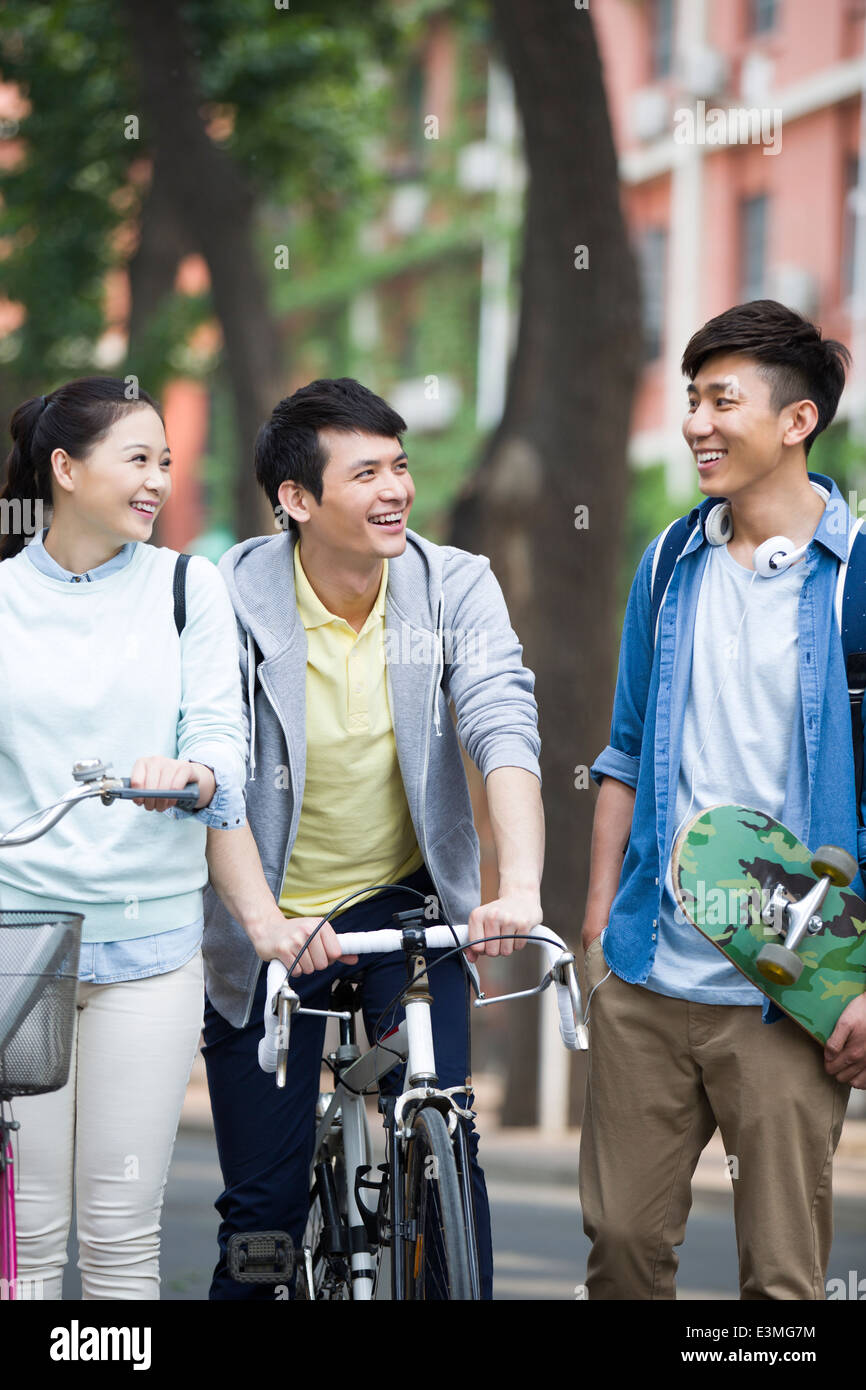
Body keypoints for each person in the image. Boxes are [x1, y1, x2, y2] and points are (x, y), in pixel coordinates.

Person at [201, 376, 543, 1299]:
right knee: (262, 1215)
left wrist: (519, 888)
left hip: (404, 910)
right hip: (270, 918)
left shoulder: (451, 584)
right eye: (365, 473)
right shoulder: (227, 597)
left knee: (447, 1159)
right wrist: (266, 923)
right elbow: (217, 770)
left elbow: (500, 722)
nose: (395, 488)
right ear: (297, 499)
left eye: (400, 466)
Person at [580, 299, 866, 1301]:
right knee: (620, 1250)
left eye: (721, 399)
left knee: (781, 1282)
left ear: (795, 422)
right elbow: (621, 753)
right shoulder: (667, 565)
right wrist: (595, 939)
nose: (696, 421)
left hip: (789, 994)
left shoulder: (856, 579)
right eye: (690, 398)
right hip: (646, 976)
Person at [0, 377, 246, 1299]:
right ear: (64, 470)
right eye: (137, 460)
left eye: (166, 464)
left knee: (118, 1236)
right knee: (23, 1243)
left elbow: (222, 735)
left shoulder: (190, 587)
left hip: (150, 953)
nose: (157, 483)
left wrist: (197, 775)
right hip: (19, 957)